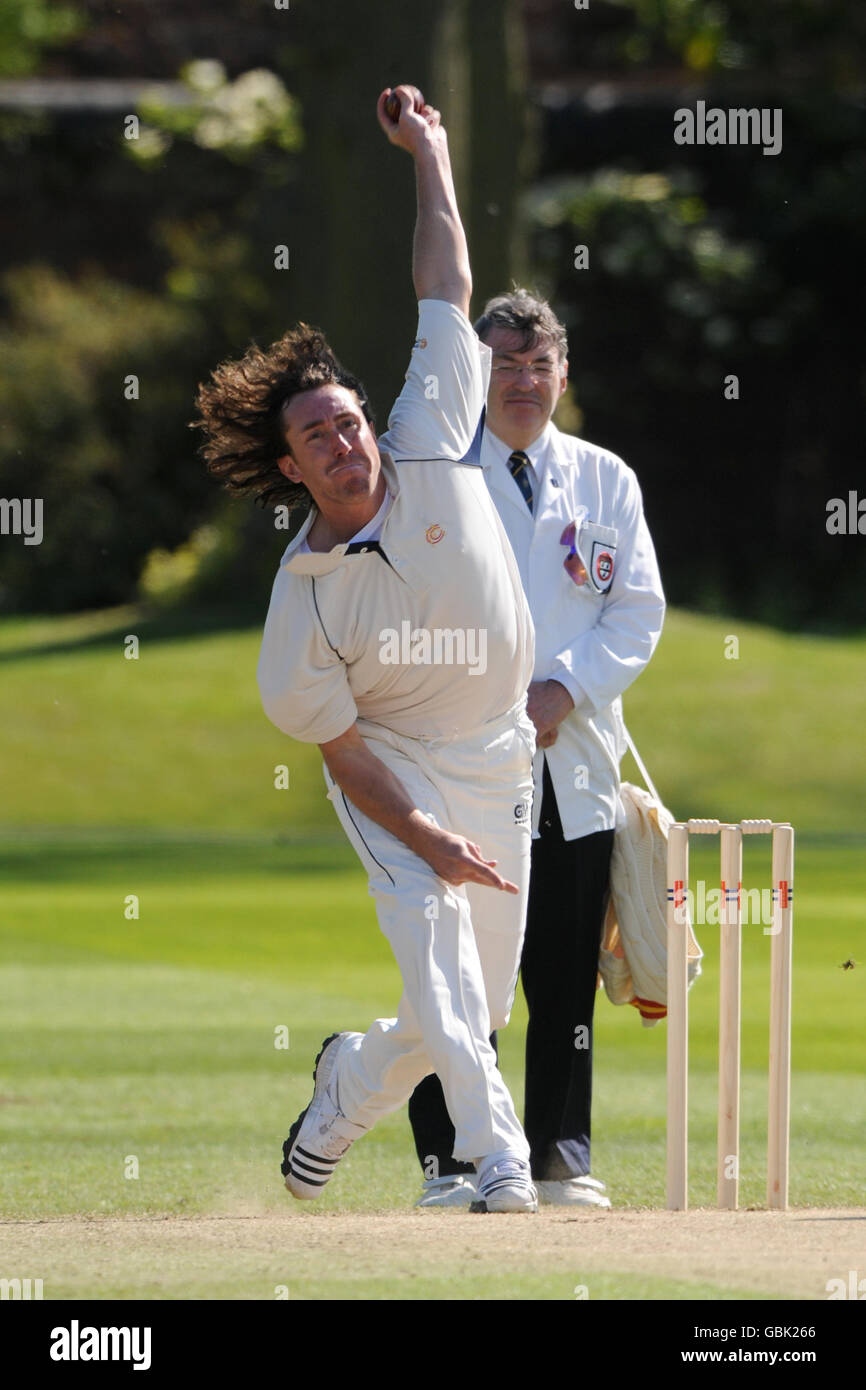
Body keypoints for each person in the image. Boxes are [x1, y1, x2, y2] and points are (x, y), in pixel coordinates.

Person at [193, 90, 539, 1213]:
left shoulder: (431, 431)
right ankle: (501, 1158)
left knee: (471, 1009)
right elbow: (340, 753)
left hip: (498, 753)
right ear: (290, 469)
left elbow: (443, 285)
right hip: (392, 768)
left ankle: (344, 1084)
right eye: (319, 437)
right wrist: (424, 832)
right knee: (436, 959)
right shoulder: (303, 603)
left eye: (348, 421)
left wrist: (431, 153)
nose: (346, 442)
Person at [408, 289, 666, 1209]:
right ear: (475, 374)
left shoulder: (606, 479)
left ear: (563, 374)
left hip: (573, 759)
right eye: (502, 365)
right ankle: (452, 1160)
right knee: (459, 965)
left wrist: (564, 689)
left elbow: (638, 611)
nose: (521, 381)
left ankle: (558, 1154)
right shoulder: (434, 474)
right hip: (460, 757)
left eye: (537, 364)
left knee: (561, 970)